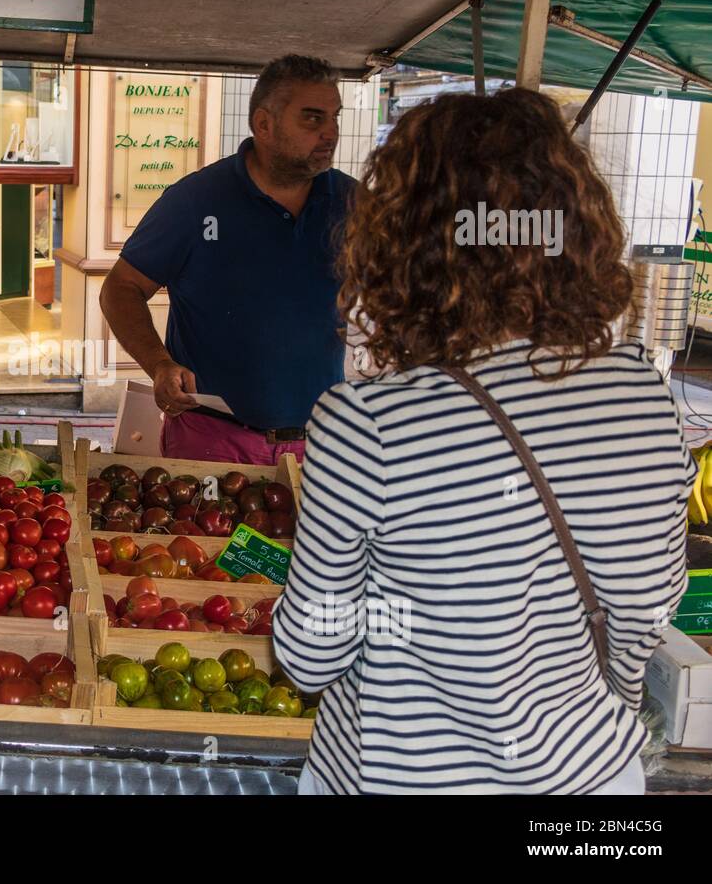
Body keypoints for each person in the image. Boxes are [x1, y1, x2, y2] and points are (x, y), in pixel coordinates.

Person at [272, 88, 694, 795]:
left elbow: (310, 656)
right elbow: (646, 608)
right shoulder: (642, 395)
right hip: (592, 782)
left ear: (405, 243)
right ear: (574, 226)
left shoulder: (367, 423)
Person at [100, 55, 355, 463]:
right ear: (263, 124)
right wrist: (159, 365)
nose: (330, 133)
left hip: (322, 444)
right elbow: (121, 288)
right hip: (212, 439)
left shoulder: (355, 204)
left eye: (334, 117)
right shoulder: (195, 200)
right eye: (312, 118)